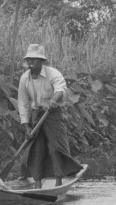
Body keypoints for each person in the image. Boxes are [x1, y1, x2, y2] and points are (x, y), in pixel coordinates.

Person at [16, 44, 83, 187]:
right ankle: (37, 183)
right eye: (29, 59)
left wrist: (54, 100)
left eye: (34, 60)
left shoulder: (53, 73)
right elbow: (23, 103)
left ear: (42, 61)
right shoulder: (24, 78)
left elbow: (60, 89)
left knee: (55, 147)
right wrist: (27, 126)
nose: (31, 62)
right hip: (36, 114)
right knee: (36, 149)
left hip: (52, 113)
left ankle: (59, 181)